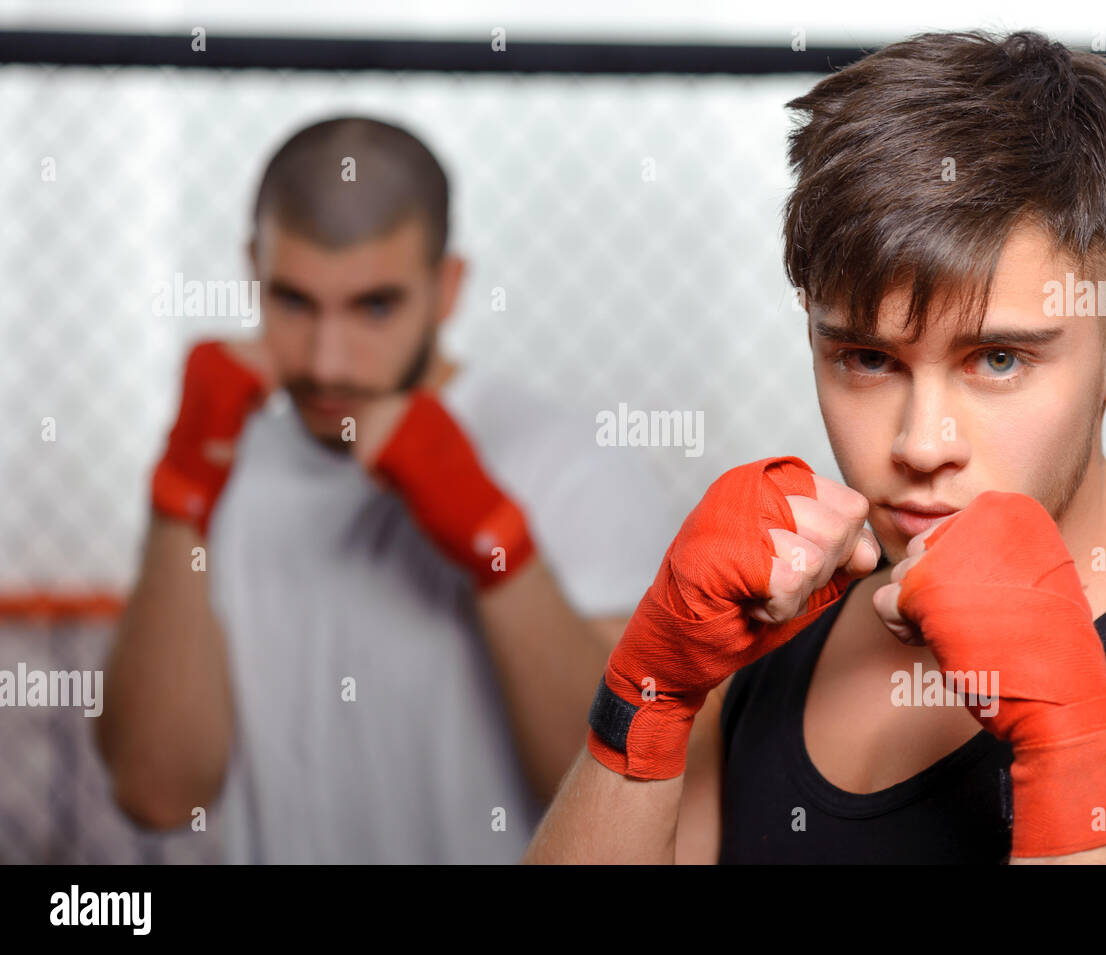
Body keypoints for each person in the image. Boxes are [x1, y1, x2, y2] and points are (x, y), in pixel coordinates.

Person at [525, 29, 1106, 864]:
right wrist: (650, 691)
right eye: (868, 359)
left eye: (998, 359)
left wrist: (1069, 743)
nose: (921, 445)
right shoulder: (767, 633)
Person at [97, 116, 678, 863]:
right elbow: (156, 789)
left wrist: (496, 541)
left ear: (447, 288)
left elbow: (618, 790)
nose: (328, 359)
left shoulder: (568, 466)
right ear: (253, 270)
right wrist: (179, 491)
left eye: (374, 305)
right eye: (295, 301)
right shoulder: (223, 464)